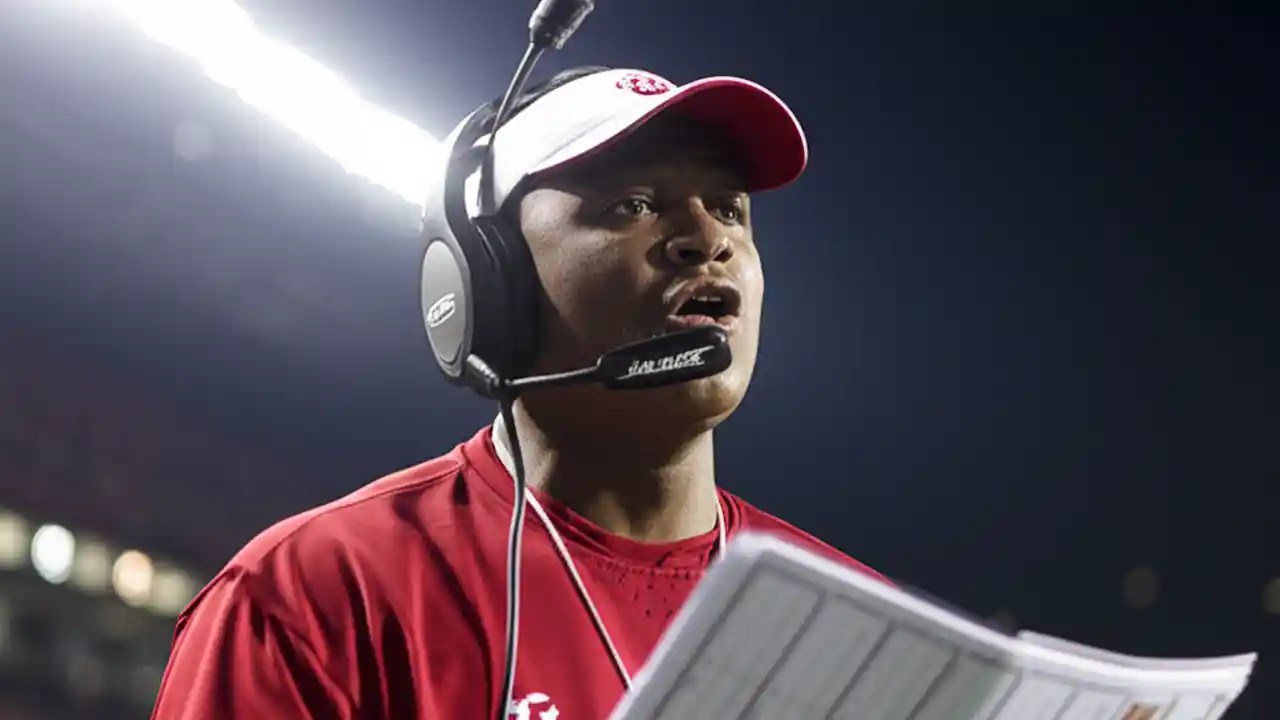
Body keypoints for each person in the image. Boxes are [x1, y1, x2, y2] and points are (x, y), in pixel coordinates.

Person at [150, 66, 888, 720]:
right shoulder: (316, 593)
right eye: (632, 204)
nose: (705, 237)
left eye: (729, 208)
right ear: (489, 279)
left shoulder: (867, 628)